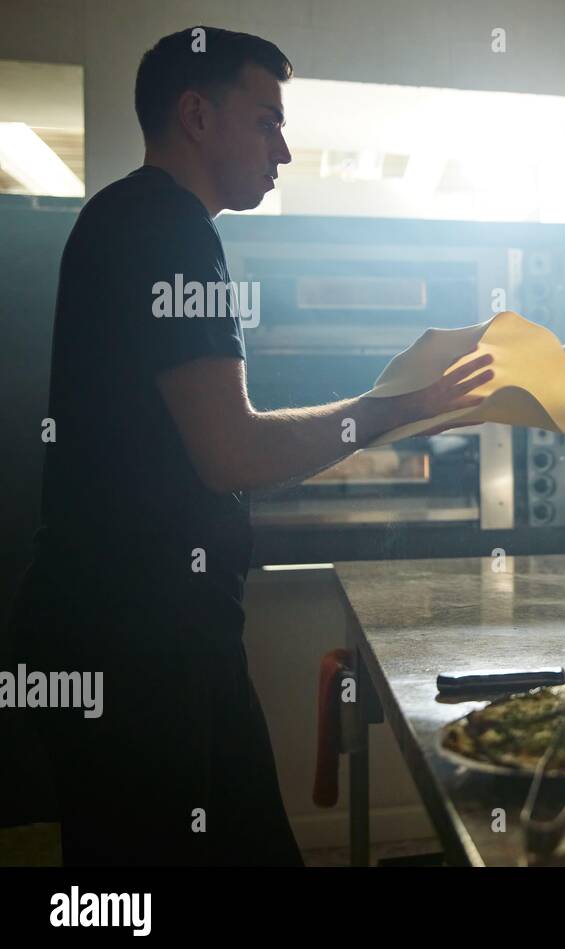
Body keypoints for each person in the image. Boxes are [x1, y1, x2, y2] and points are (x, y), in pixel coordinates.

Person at [7, 26, 492, 865]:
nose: (285, 149)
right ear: (196, 115)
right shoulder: (167, 228)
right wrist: (391, 409)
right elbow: (230, 453)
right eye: (266, 121)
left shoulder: (137, 219)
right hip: (138, 645)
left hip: (135, 631)